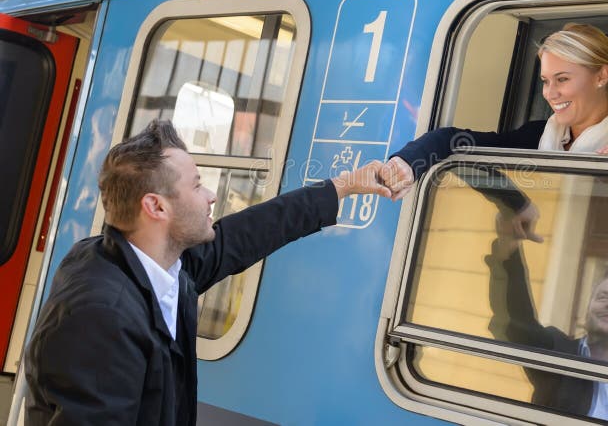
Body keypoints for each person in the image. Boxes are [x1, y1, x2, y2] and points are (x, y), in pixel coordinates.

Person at [23, 119, 390, 426]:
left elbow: (247, 234)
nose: (211, 194)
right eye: (197, 184)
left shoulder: (157, 263)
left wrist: (346, 186)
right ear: (156, 207)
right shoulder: (100, 317)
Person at [379, 23, 608, 206]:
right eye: (546, 82)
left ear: (601, 76)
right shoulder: (533, 136)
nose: (550, 93)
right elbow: (453, 141)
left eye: (562, 80)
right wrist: (407, 163)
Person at [486, 248, 608, 425]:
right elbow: (514, 319)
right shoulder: (558, 353)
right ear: (588, 311)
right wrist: (508, 246)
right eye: (603, 297)